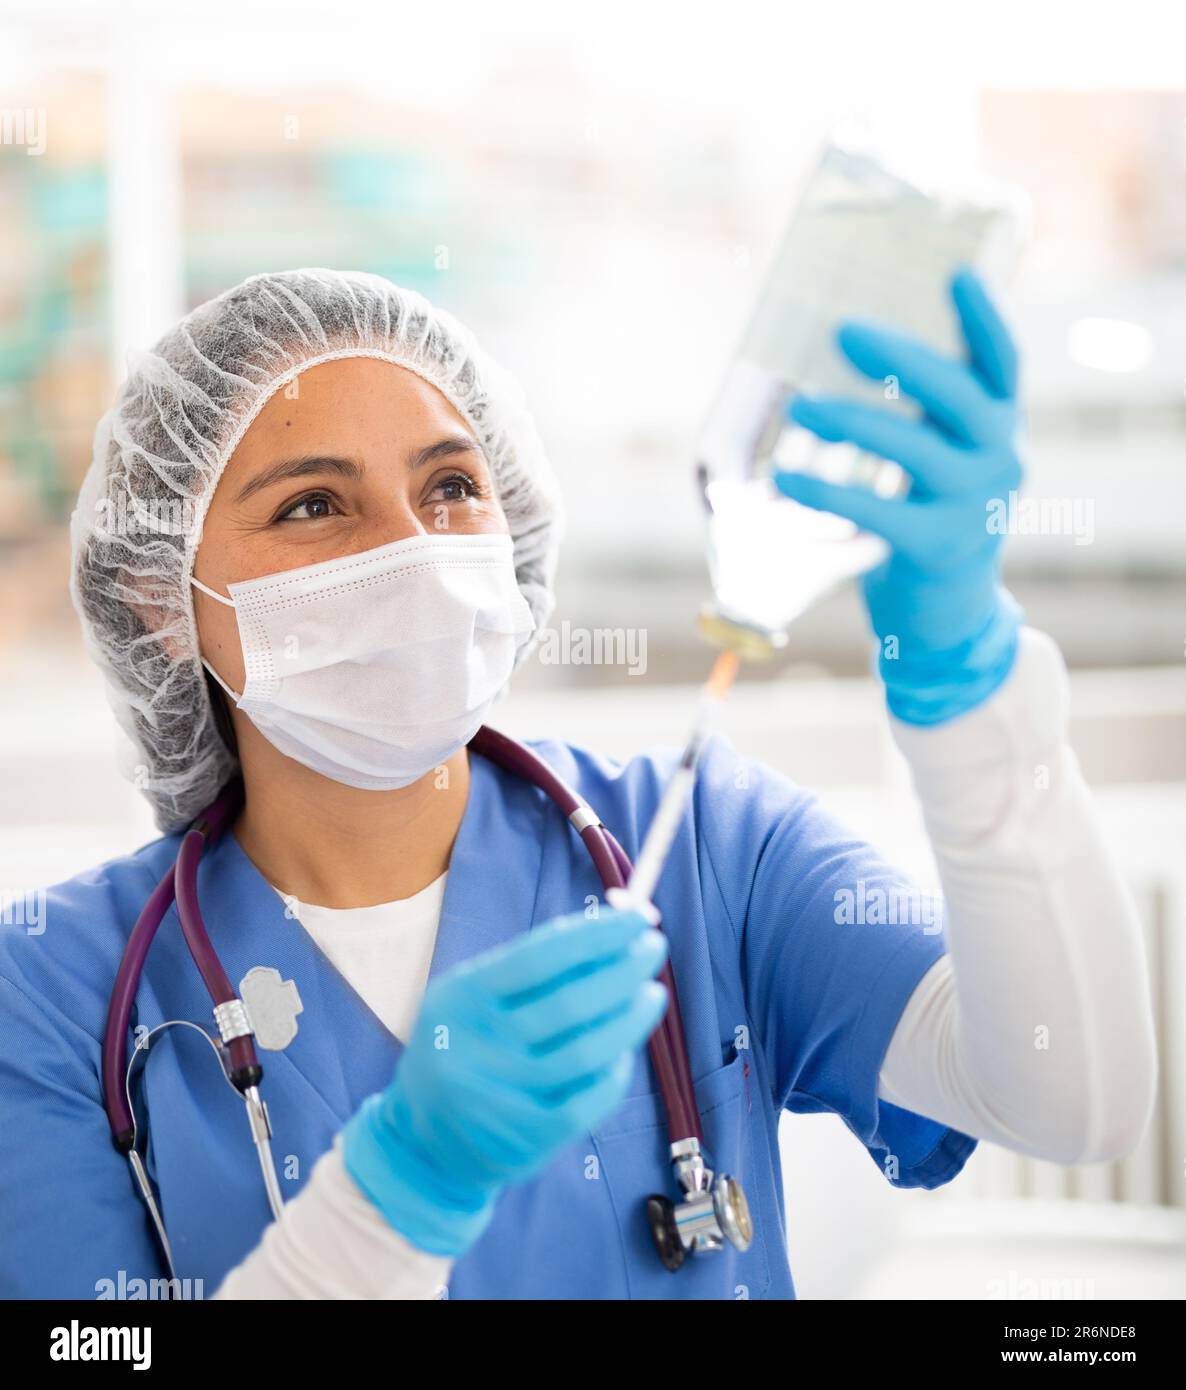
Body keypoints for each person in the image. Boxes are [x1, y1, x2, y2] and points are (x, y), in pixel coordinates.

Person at [0, 267, 1156, 1301]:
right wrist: (401, 1191)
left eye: (451, 484)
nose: (413, 547)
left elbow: (1068, 1100)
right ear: (159, 599)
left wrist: (971, 685)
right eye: (313, 503)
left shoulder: (707, 841)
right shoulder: (52, 989)